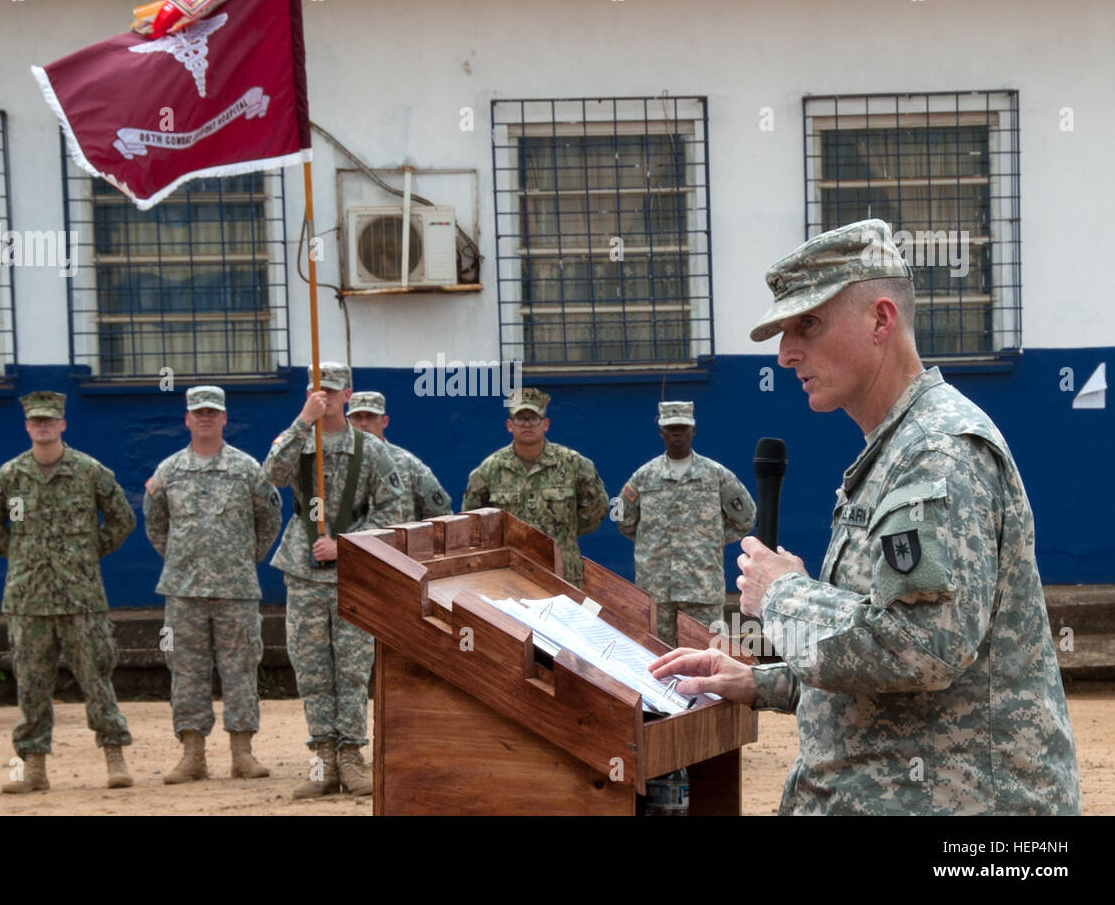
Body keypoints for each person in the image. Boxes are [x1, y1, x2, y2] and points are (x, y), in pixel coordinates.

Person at [650, 220, 1081, 814]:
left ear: (881, 319)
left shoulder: (937, 452)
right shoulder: (896, 451)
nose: (785, 353)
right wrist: (756, 682)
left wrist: (785, 595)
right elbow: (876, 656)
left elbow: (924, 648)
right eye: (783, 331)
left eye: (808, 324)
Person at [0, 390, 137, 793]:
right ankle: (34, 768)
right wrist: (20, 556)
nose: (43, 426)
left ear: (63, 424)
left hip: (81, 598)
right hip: (28, 600)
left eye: (50, 420)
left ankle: (114, 755)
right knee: (31, 684)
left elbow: (123, 518)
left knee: (96, 679)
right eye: (36, 421)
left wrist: (87, 553)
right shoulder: (9, 476)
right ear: (27, 426)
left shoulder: (88, 472)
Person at [263, 363, 404, 799]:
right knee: (311, 670)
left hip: (352, 573)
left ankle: (352, 757)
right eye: (316, 390)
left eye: (333, 390)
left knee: (352, 669)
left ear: (348, 394)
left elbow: (391, 511)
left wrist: (348, 544)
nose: (324, 396)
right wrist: (302, 421)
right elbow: (271, 476)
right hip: (304, 572)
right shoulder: (297, 440)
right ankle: (321, 761)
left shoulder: (372, 450)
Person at [143, 386, 283, 785]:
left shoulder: (247, 469)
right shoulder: (169, 471)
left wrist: (243, 558)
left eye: (212, 412)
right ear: (187, 419)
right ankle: (192, 755)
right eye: (198, 413)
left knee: (240, 668)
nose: (205, 418)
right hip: (183, 590)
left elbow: (268, 518)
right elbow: (156, 523)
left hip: (236, 589)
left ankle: (243, 753)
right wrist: (180, 558)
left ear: (224, 418)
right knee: (185, 669)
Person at [617, 401, 755, 645]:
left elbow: (746, 518)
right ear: (661, 432)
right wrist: (652, 541)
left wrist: (711, 539)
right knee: (655, 657)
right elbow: (623, 520)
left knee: (708, 658)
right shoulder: (644, 477)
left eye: (682, 427)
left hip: (702, 587)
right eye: (671, 429)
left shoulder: (716, 475)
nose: (677, 433)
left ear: (694, 430)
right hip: (656, 590)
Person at [462, 387, 608, 589]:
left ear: (545, 424)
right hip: (510, 573)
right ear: (509, 425)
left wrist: (562, 535)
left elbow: (595, 511)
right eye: (521, 419)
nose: (527, 424)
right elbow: (473, 522)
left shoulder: (574, 465)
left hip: (562, 571)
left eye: (534, 418)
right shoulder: (490, 470)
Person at [346, 390, 451, 522]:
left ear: (384, 421)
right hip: (347, 541)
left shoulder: (408, 464)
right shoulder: (336, 462)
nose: (364, 423)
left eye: (370, 416)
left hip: (396, 541)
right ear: (348, 422)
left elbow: (441, 513)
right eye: (357, 417)